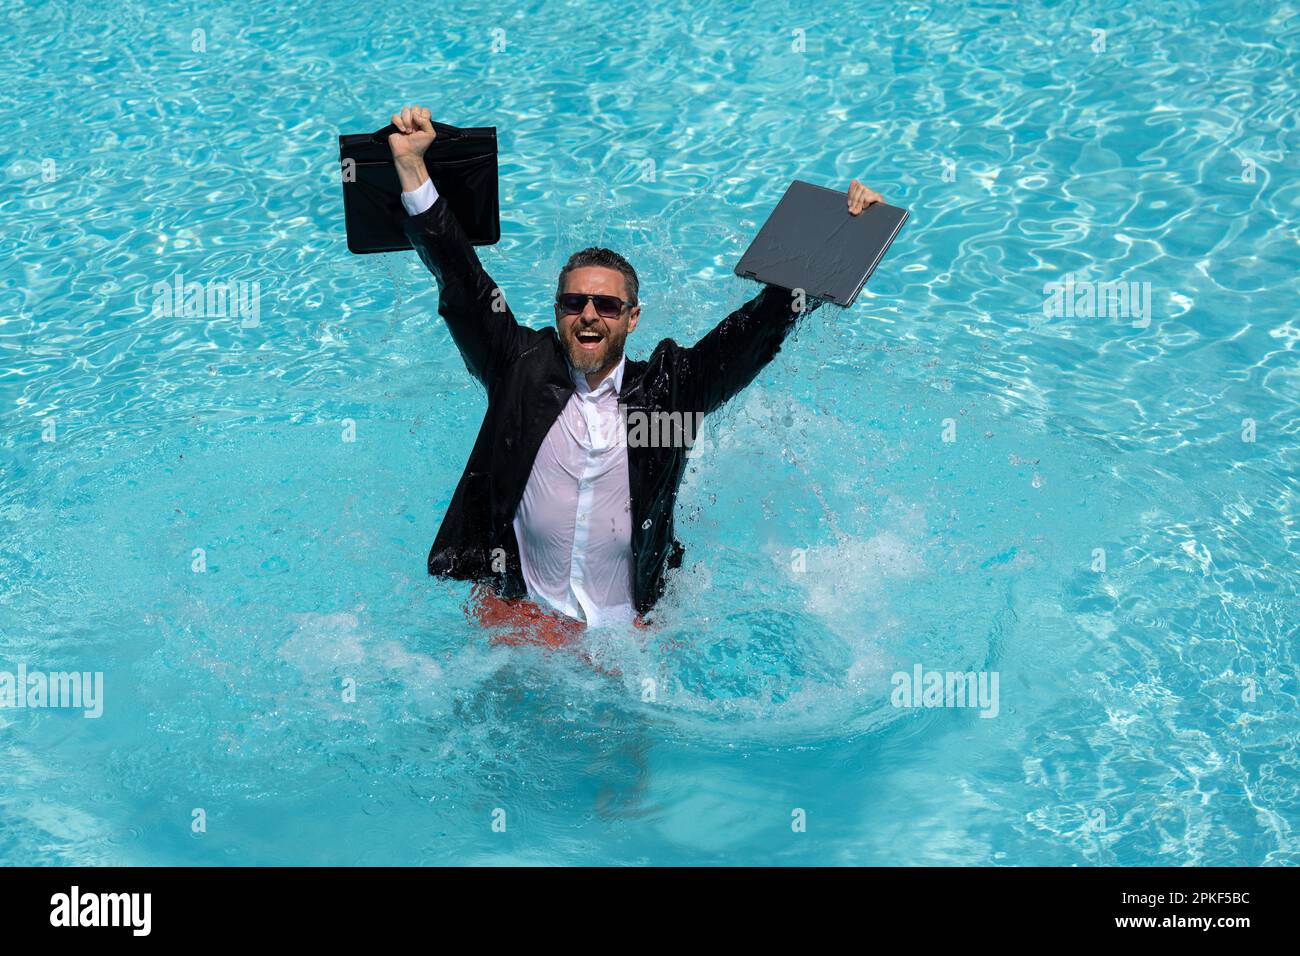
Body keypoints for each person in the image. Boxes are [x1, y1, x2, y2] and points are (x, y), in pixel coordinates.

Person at [387, 105, 884, 643]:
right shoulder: (520, 367)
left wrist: (846, 234)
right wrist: (413, 169)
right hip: (523, 633)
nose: (590, 314)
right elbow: (462, 280)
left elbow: (754, 330)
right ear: (558, 312)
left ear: (632, 316)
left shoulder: (671, 393)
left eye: (606, 303)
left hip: (624, 648)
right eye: (574, 302)